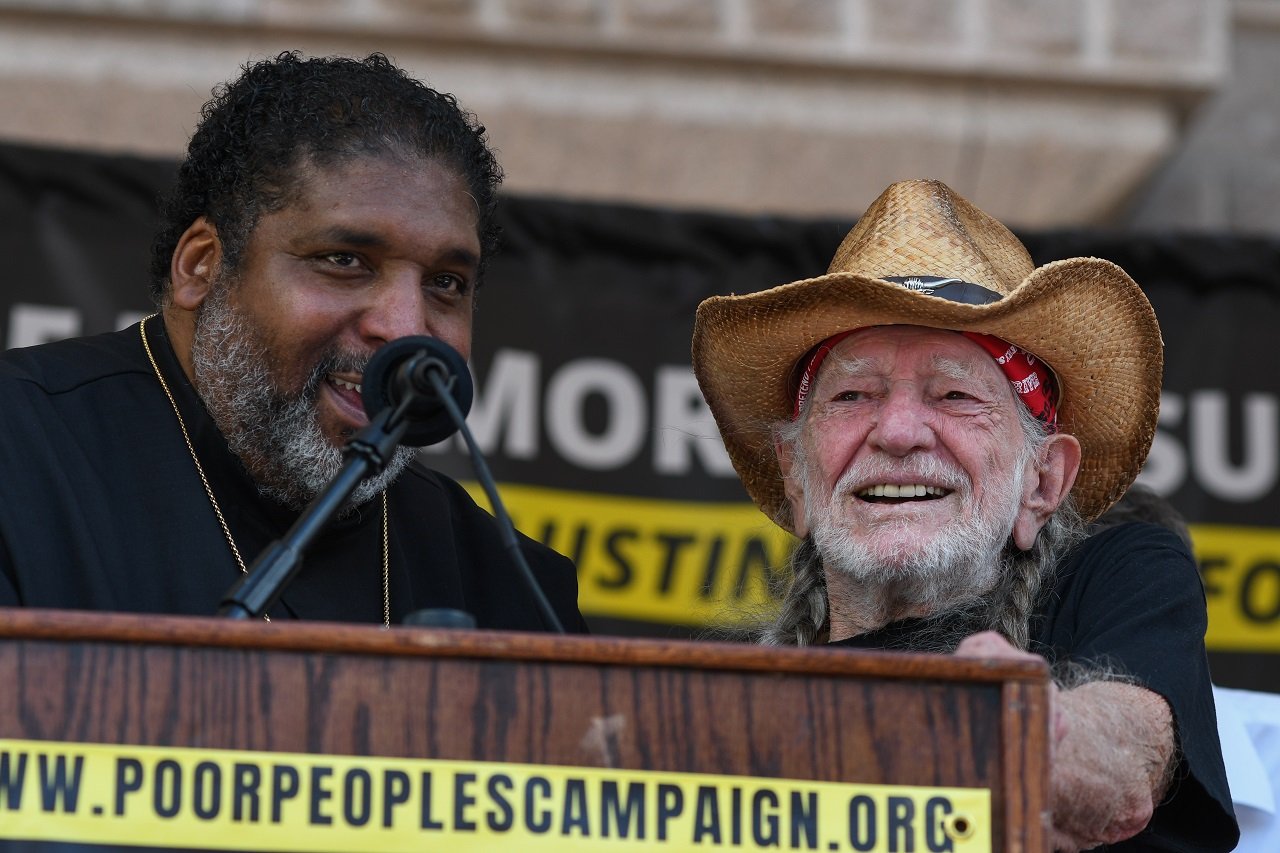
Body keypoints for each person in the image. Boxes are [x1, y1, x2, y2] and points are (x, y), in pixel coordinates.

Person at [691, 179, 1237, 850]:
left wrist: (1033, 735)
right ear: (795, 476)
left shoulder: (1117, 574)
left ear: (1043, 482)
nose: (896, 430)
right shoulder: (714, 699)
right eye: (854, 393)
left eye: (952, 394)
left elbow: (1123, 757)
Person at [0, 51, 585, 632]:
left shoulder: (509, 587)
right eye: (344, 260)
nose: (407, 327)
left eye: (445, 283)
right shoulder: (19, 450)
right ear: (202, 266)